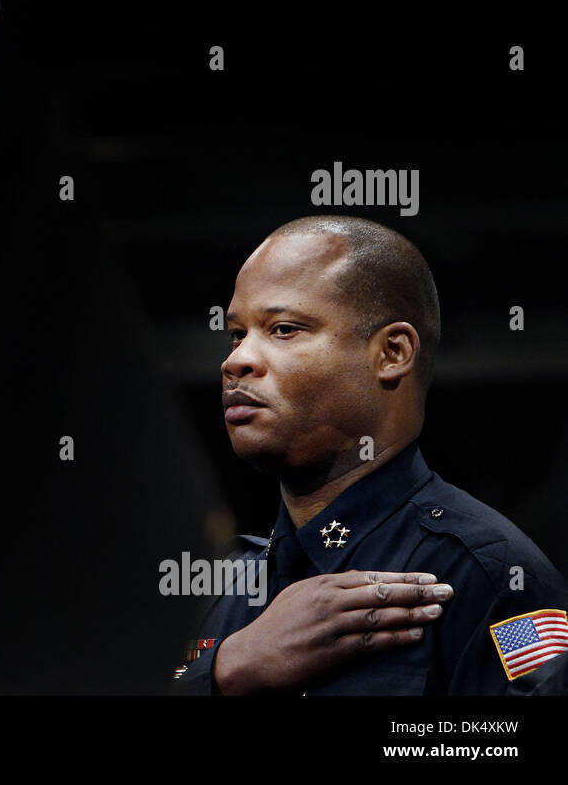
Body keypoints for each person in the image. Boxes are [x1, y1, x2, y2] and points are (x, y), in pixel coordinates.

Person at [171, 215, 568, 695]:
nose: (236, 360)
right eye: (237, 333)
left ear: (392, 353)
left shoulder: (490, 576)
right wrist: (224, 670)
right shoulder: (217, 588)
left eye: (284, 329)